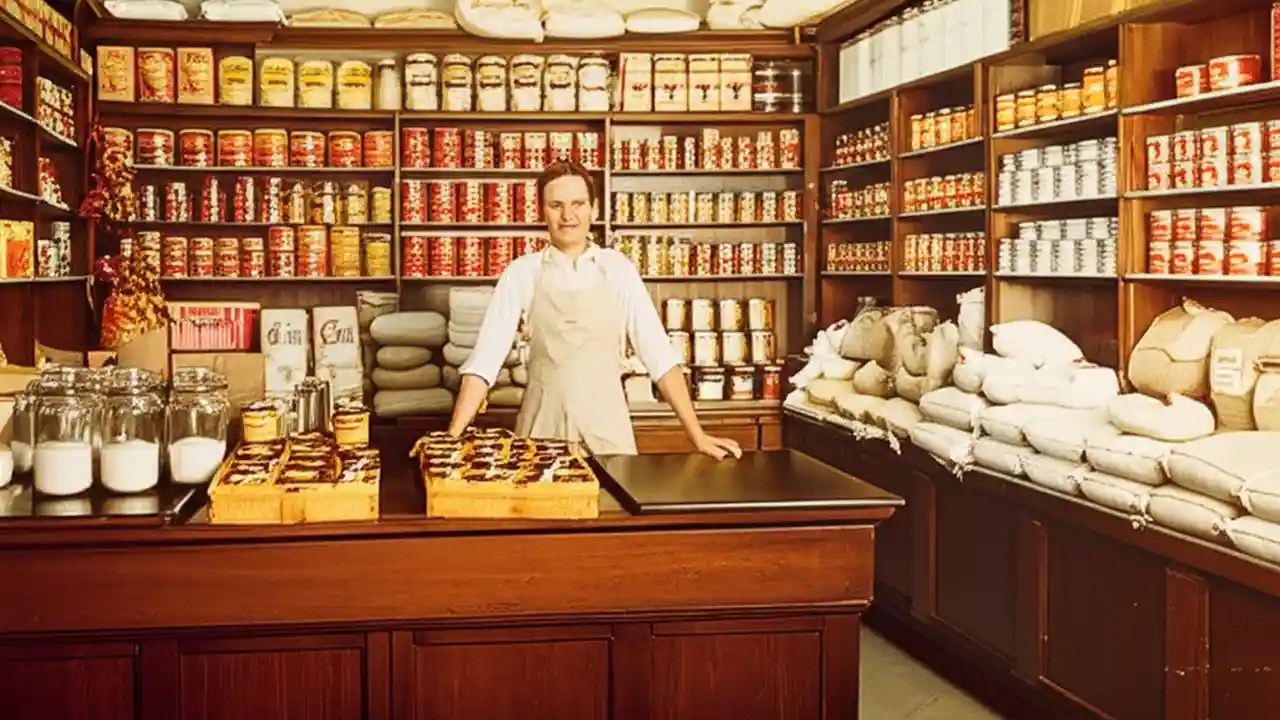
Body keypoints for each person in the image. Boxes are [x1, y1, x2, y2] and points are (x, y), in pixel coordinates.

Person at [446, 160, 743, 460]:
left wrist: (697, 435)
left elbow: (660, 357)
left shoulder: (618, 269)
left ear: (595, 209)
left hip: (609, 434)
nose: (568, 215)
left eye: (578, 204)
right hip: (541, 436)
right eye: (556, 205)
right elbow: (484, 364)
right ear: (541, 212)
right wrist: (451, 440)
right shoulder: (521, 273)